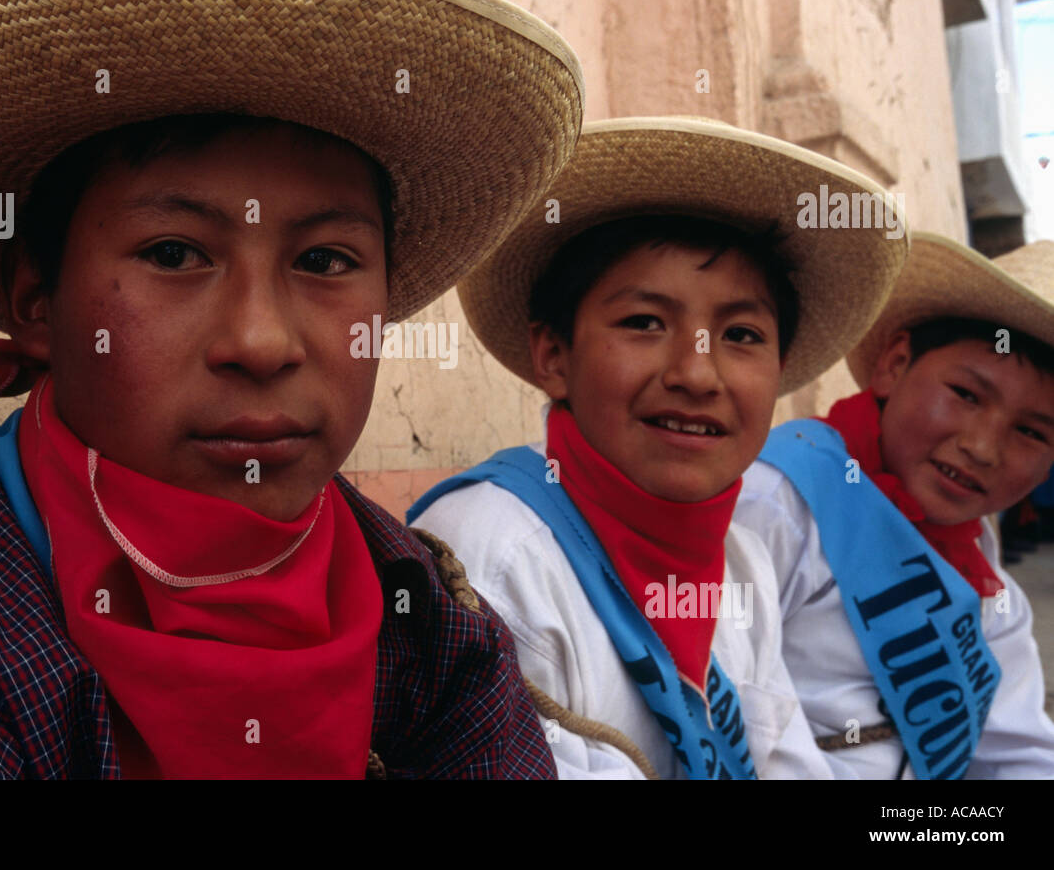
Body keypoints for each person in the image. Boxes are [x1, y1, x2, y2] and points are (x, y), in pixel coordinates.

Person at [0, 0, 585, 779]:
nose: (262, 342)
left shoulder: (418, 611)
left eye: (325, 261)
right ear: (39, 301)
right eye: (174, 253)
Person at [408, 116, 907, 778]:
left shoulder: (742, 558)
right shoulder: (494, 563)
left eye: (742, 335)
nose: (696, 374)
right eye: (644, 322)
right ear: (554, 354)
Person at [736, 232, 1054, 779]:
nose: (982, 447)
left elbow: (1020, 751)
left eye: (1030, 431)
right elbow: (729, 714)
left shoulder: (980, 567)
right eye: (967, 395)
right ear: (894, 364)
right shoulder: (777, 498)